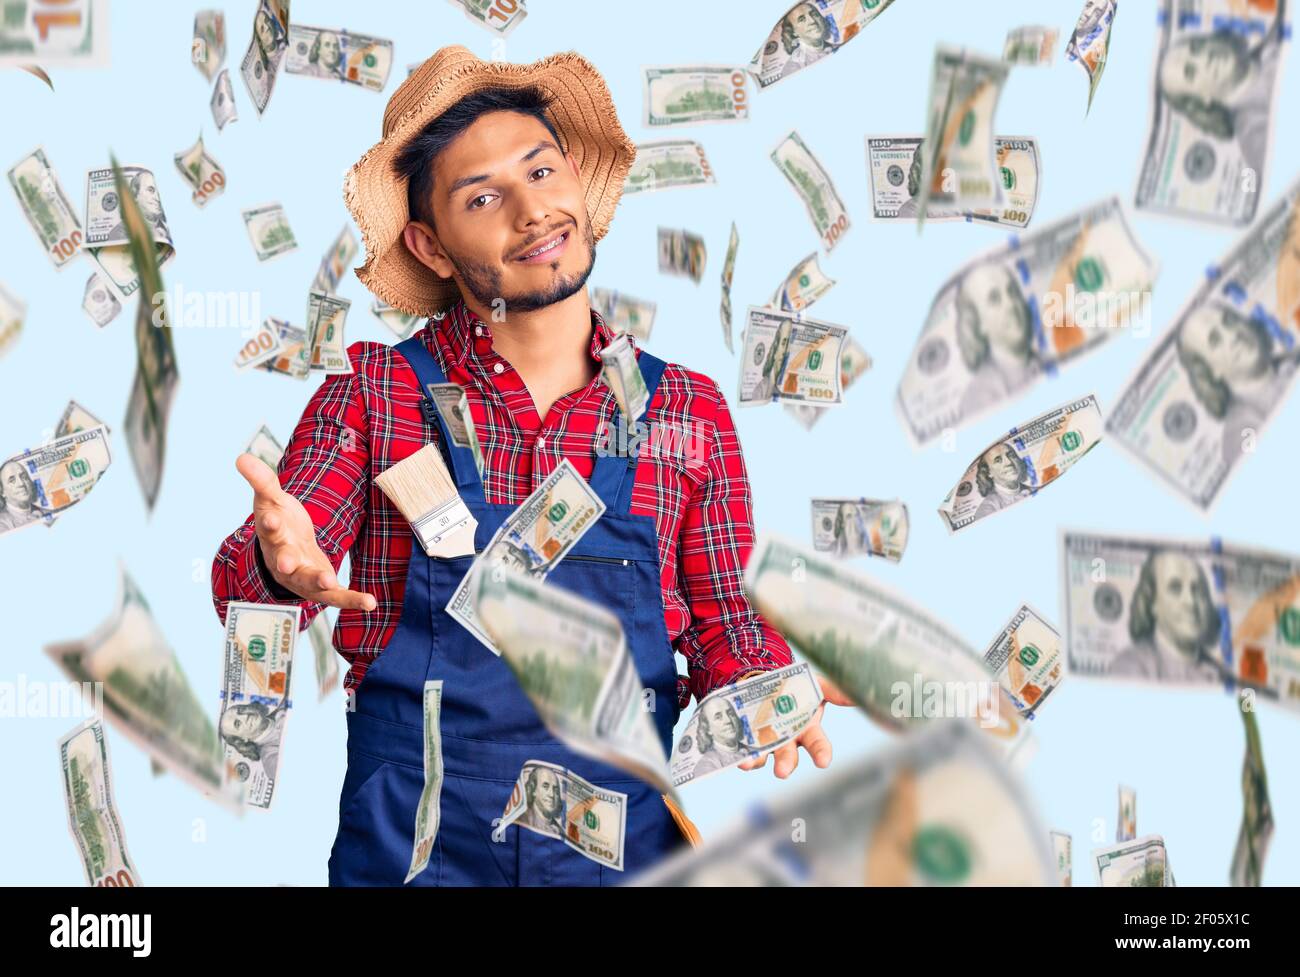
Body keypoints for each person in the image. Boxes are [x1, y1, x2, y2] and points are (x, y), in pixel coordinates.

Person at [211, 46, 852, 887]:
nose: (531, 210)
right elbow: (267, 583)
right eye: (482, 196)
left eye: (542, 170)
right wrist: (278, 564)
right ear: (431, 247)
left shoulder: (685, 410)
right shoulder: (374, 394)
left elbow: (722, 619)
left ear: (578, 184)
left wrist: (774, 685)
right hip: (415, 851)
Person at [1175, 301, 1299, 467]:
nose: (1233, 336)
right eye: (1215, 341)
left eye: (1229, 322)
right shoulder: (1241, 432)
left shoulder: (1292, 359)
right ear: (1211, 371)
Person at [1108, 548, 1232, 684]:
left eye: (1196, 589)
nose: (1190, 601)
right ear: (1152, 603)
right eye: (1175, 588)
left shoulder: (1220, 674)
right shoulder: (1129, 667)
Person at [953, 262, 1039, 418]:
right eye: (994, 299)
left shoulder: (1044, 361)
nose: (1011, 304)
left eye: (1012, 292)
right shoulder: (979, 396)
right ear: (978, 324)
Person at [690, 698, 752, 776]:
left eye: (730, 713)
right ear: (708, 728)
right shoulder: (706, 765)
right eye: (718, 717)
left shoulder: (753, 750)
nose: (728, 720)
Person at [972, 441, 1033, 519]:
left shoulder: (1035, 490)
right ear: (988, 473)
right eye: (998, 461)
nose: (1009, 462)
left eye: (1010, 455)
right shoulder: (987, 509)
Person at [0, 459, 49, 534]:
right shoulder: (2, 523)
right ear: (2, 492)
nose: (21, 484)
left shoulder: (48, 512)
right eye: (11, 481)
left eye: (24, 477)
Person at [516, 765, 564, 838]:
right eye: (545, 787)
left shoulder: (559, 830)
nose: (551, 794)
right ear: (533, 790)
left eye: (555, 790)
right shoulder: (522, 819)